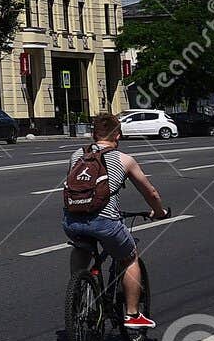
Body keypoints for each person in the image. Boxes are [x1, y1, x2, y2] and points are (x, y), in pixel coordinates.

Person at [61, 112, 167, 329]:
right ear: (118, 135)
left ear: (93, 134)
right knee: (130, 257)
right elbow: (151, 193)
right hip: (105, 223)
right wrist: (159, 212)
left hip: (72, 222)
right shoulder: (124, 160)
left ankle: (79, 292)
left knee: (82, 247)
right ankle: (132, 314)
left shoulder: (76, 156)